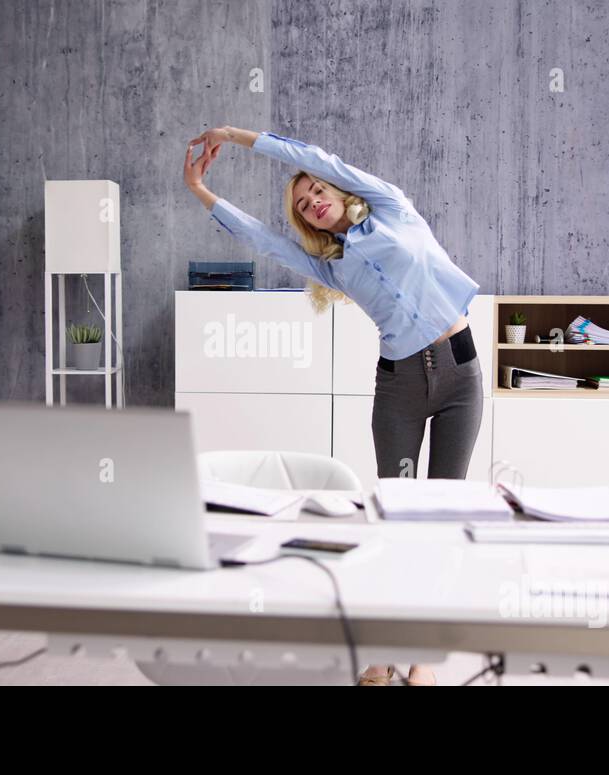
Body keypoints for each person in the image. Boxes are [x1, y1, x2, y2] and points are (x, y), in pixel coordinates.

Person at [184, 126, 485, 686]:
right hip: (399, 387)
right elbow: (263, 242)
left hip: (459, 375)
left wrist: (234, 136)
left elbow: (311, 156)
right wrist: (202, 191)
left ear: (338, 190)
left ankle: (421, 658)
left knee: (441, 519)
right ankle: (385, 648)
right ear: (309, 222)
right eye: (303, 207)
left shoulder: (394, 209)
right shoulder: (332, 264)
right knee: (395, 521)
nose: (312, 203)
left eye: (316, 191)